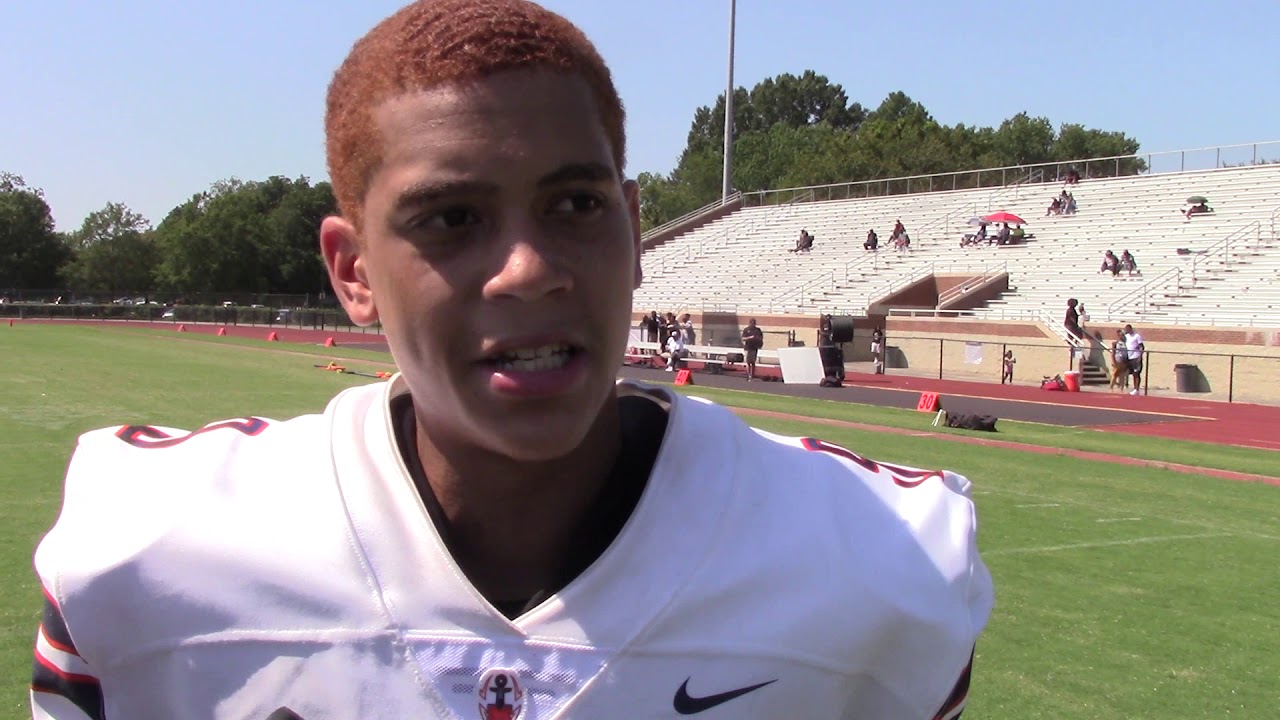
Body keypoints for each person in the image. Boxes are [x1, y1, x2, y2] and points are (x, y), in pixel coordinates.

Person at [29, 2, 992, 718]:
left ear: (634, 228)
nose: (528, 271)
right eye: (452, 219)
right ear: (354, 271)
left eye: (576, 206)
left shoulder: (879, 559)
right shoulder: (151, 551)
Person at [1124, 323, 1145, 395]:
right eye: (1126, 329)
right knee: (1132, 373)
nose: (1126, 330)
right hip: (1129, 357)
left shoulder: (1137, 336)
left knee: (1136, 373)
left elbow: (1141, 347)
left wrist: (1140, 357)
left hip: (1136, 356)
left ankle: (1137, 389)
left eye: (1128, 329)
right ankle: (1134, 388)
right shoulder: (1126, 336)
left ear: (1131, 329)